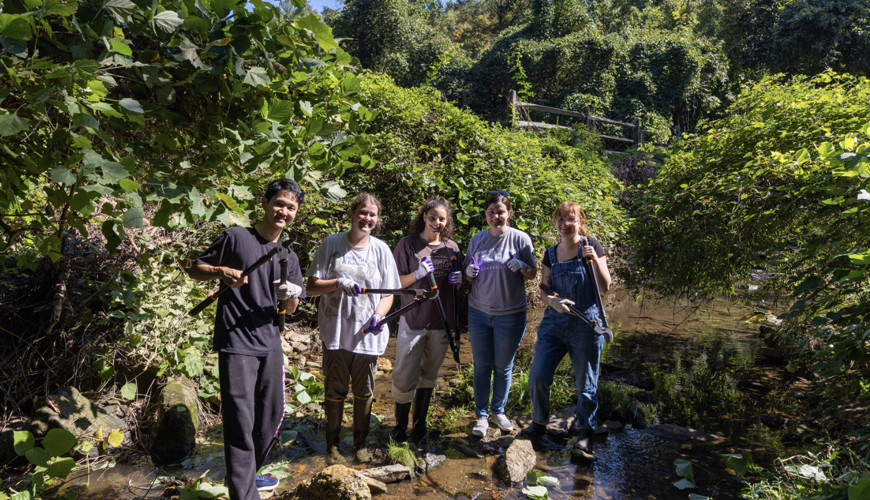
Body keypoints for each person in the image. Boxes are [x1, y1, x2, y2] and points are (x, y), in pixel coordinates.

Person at [189, 179, 306, 500]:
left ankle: (242, 475)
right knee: (240, 419)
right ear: (265, 202)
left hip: (269, 341)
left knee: (272, 414)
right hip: (236, 339)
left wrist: (290, 294)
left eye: (291, 207)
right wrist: (220, 271)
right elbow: (195, 268)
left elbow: (292, 308)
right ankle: (245, 493)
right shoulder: (236, 237)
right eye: (279, 203)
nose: (284, 211)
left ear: (296, 212)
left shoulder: (288, 256)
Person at [305, 193, 401, 465]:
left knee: (364, 389)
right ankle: (332, 446)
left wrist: (378, 316)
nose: (367, 218)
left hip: (368, 334)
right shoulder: (332, 243)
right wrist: (337, 283)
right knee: (334, 389)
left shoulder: (381, 249)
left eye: (372, 214)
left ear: (377, 219)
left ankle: (360, 444)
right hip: (335, 331)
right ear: (352, 213)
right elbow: (310, 287)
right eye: (363, 212)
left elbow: (389, 293)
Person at [521, 201, 612, 461]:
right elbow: (543, 290)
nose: (564, 224)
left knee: (586, 384)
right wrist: (553, 302)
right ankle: (539, 423)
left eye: (570, 219)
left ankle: (585, 433)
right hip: (554, 324)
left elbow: (605, 287)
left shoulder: (592, 246)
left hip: (586, 324)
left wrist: (593, 261)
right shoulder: (550, 253)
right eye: (560, 219)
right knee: (538, 375)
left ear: (580, 222)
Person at [391, 197, 464, 444]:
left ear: (447, 221)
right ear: (424, 216)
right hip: (413, 319)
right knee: (404, 374)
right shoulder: (407, 245)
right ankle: (400, 427)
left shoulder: (451, 248)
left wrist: (461, 279)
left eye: (442, 219)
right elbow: (395, 283)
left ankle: (419, 426)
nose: (437, 223)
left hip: (442, 321)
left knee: (429, 374)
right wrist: (418, 274)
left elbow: (459, 280)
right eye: (432, 217)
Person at [463, 191, 536, 438]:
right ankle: (482, 416)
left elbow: (533, 273)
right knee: (482, 366)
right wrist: (470, 272)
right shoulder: (477, 239)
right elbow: (466, 273)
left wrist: (522, 266)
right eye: (491, 212)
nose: (496, 216)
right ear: (485, 214)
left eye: (500, 212)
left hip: (511, 313)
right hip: (479, 312)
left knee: (503, 367)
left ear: (510, 213)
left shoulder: (521, 239)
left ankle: (498, 411)